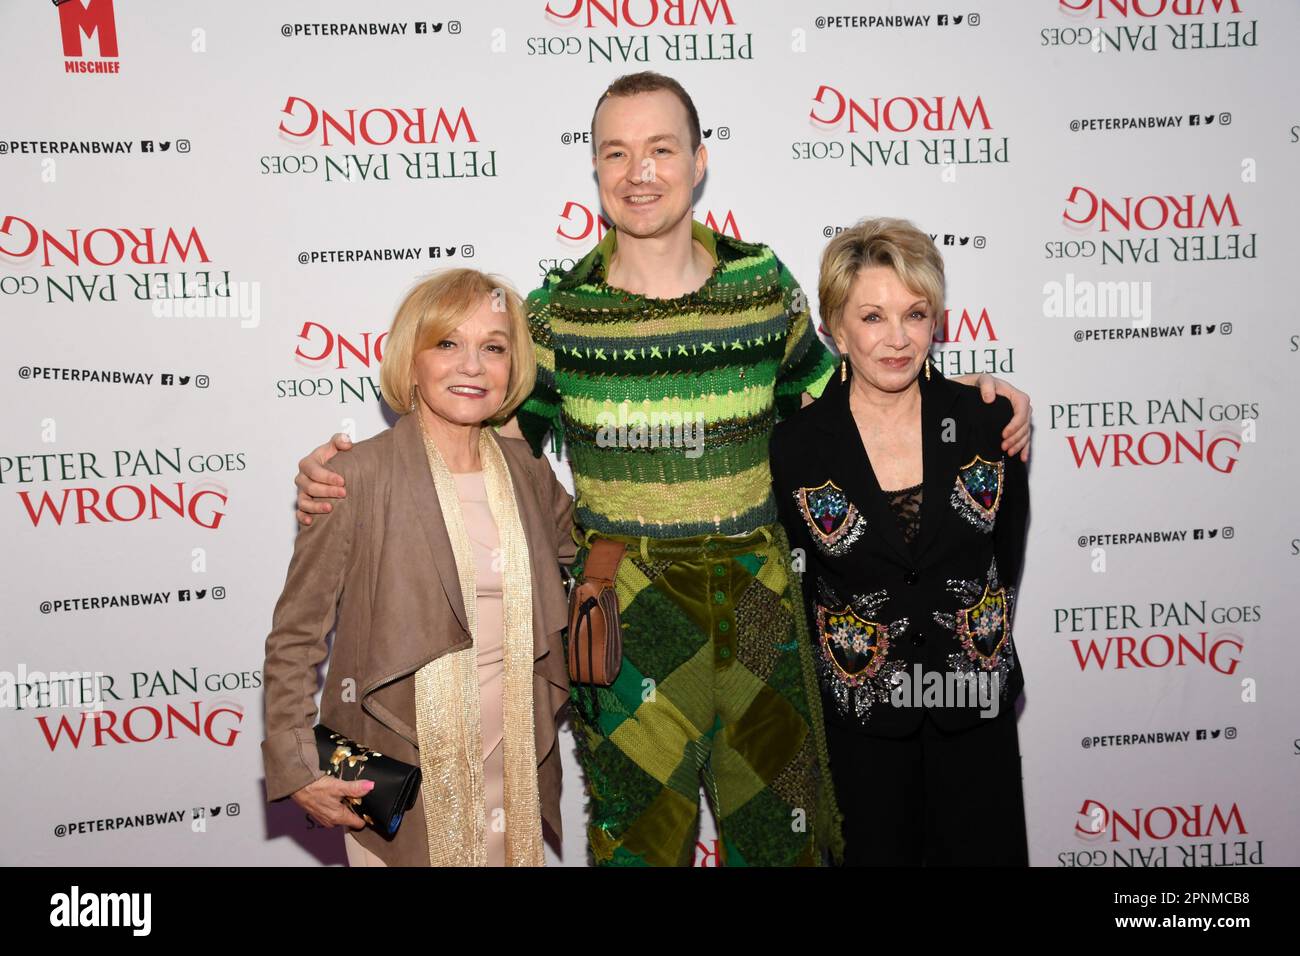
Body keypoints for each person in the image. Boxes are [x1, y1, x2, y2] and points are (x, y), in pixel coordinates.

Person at [292, 72, 1033, 866]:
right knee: (637, 854)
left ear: (699, 160)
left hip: (762, 611)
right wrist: (363, 476)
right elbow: (482, 453)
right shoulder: (557, 314)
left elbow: (851, 411)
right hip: (627, 617)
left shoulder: (763, 288)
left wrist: (968, 399)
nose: (639, 172)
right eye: (617, 153)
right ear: (597, 170)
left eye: (659, 150)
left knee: (781, 852)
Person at [261, 268, 576, 867]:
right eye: (447, 343)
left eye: (494, 347)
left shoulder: (527, 472)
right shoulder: (356, 477)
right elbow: (296, 637)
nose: (472, 365)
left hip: (515, 771)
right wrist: (297, 767)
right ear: (411, 360)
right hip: (401, 779)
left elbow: (581, 553)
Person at [770, 218, 1030, 866]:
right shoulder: (796, 446)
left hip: (975, 712)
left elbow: (1006, 555)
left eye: (914, 314)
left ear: (935, 321)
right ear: (835, 327)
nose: (896, 338)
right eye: (873, 316)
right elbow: (799, 584)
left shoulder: (987, 421)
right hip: (861, 728)